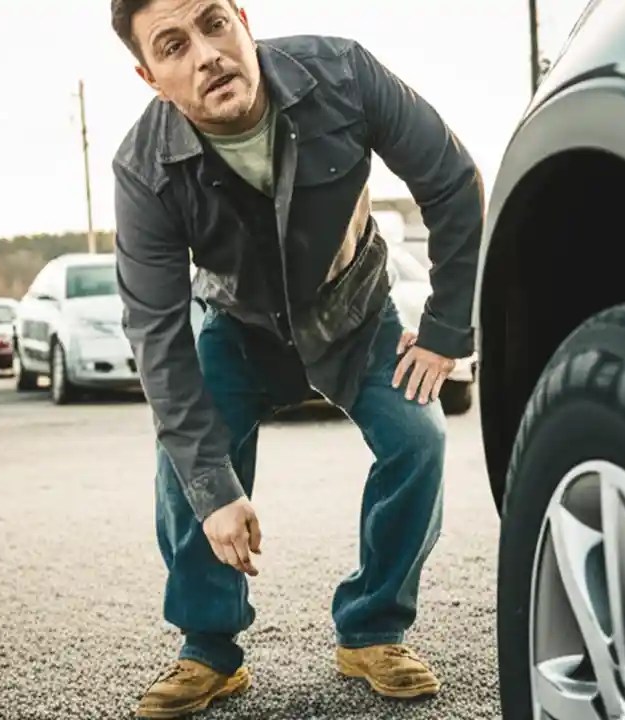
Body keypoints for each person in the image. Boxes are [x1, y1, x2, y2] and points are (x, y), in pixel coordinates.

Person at [109, 1, 484, 715]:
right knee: (188, 461)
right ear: (150, 76)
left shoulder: (342, 70)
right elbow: (157, 338)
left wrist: (443, 329)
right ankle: (209, 649)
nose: (207, 54)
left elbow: (452, 179)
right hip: (237, 323)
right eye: (173, 45)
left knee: (421, 438)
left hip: (355, 310)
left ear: (243, 21)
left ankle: (373, 629)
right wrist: (214, 491)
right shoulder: (143, 168)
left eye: (214, 23)